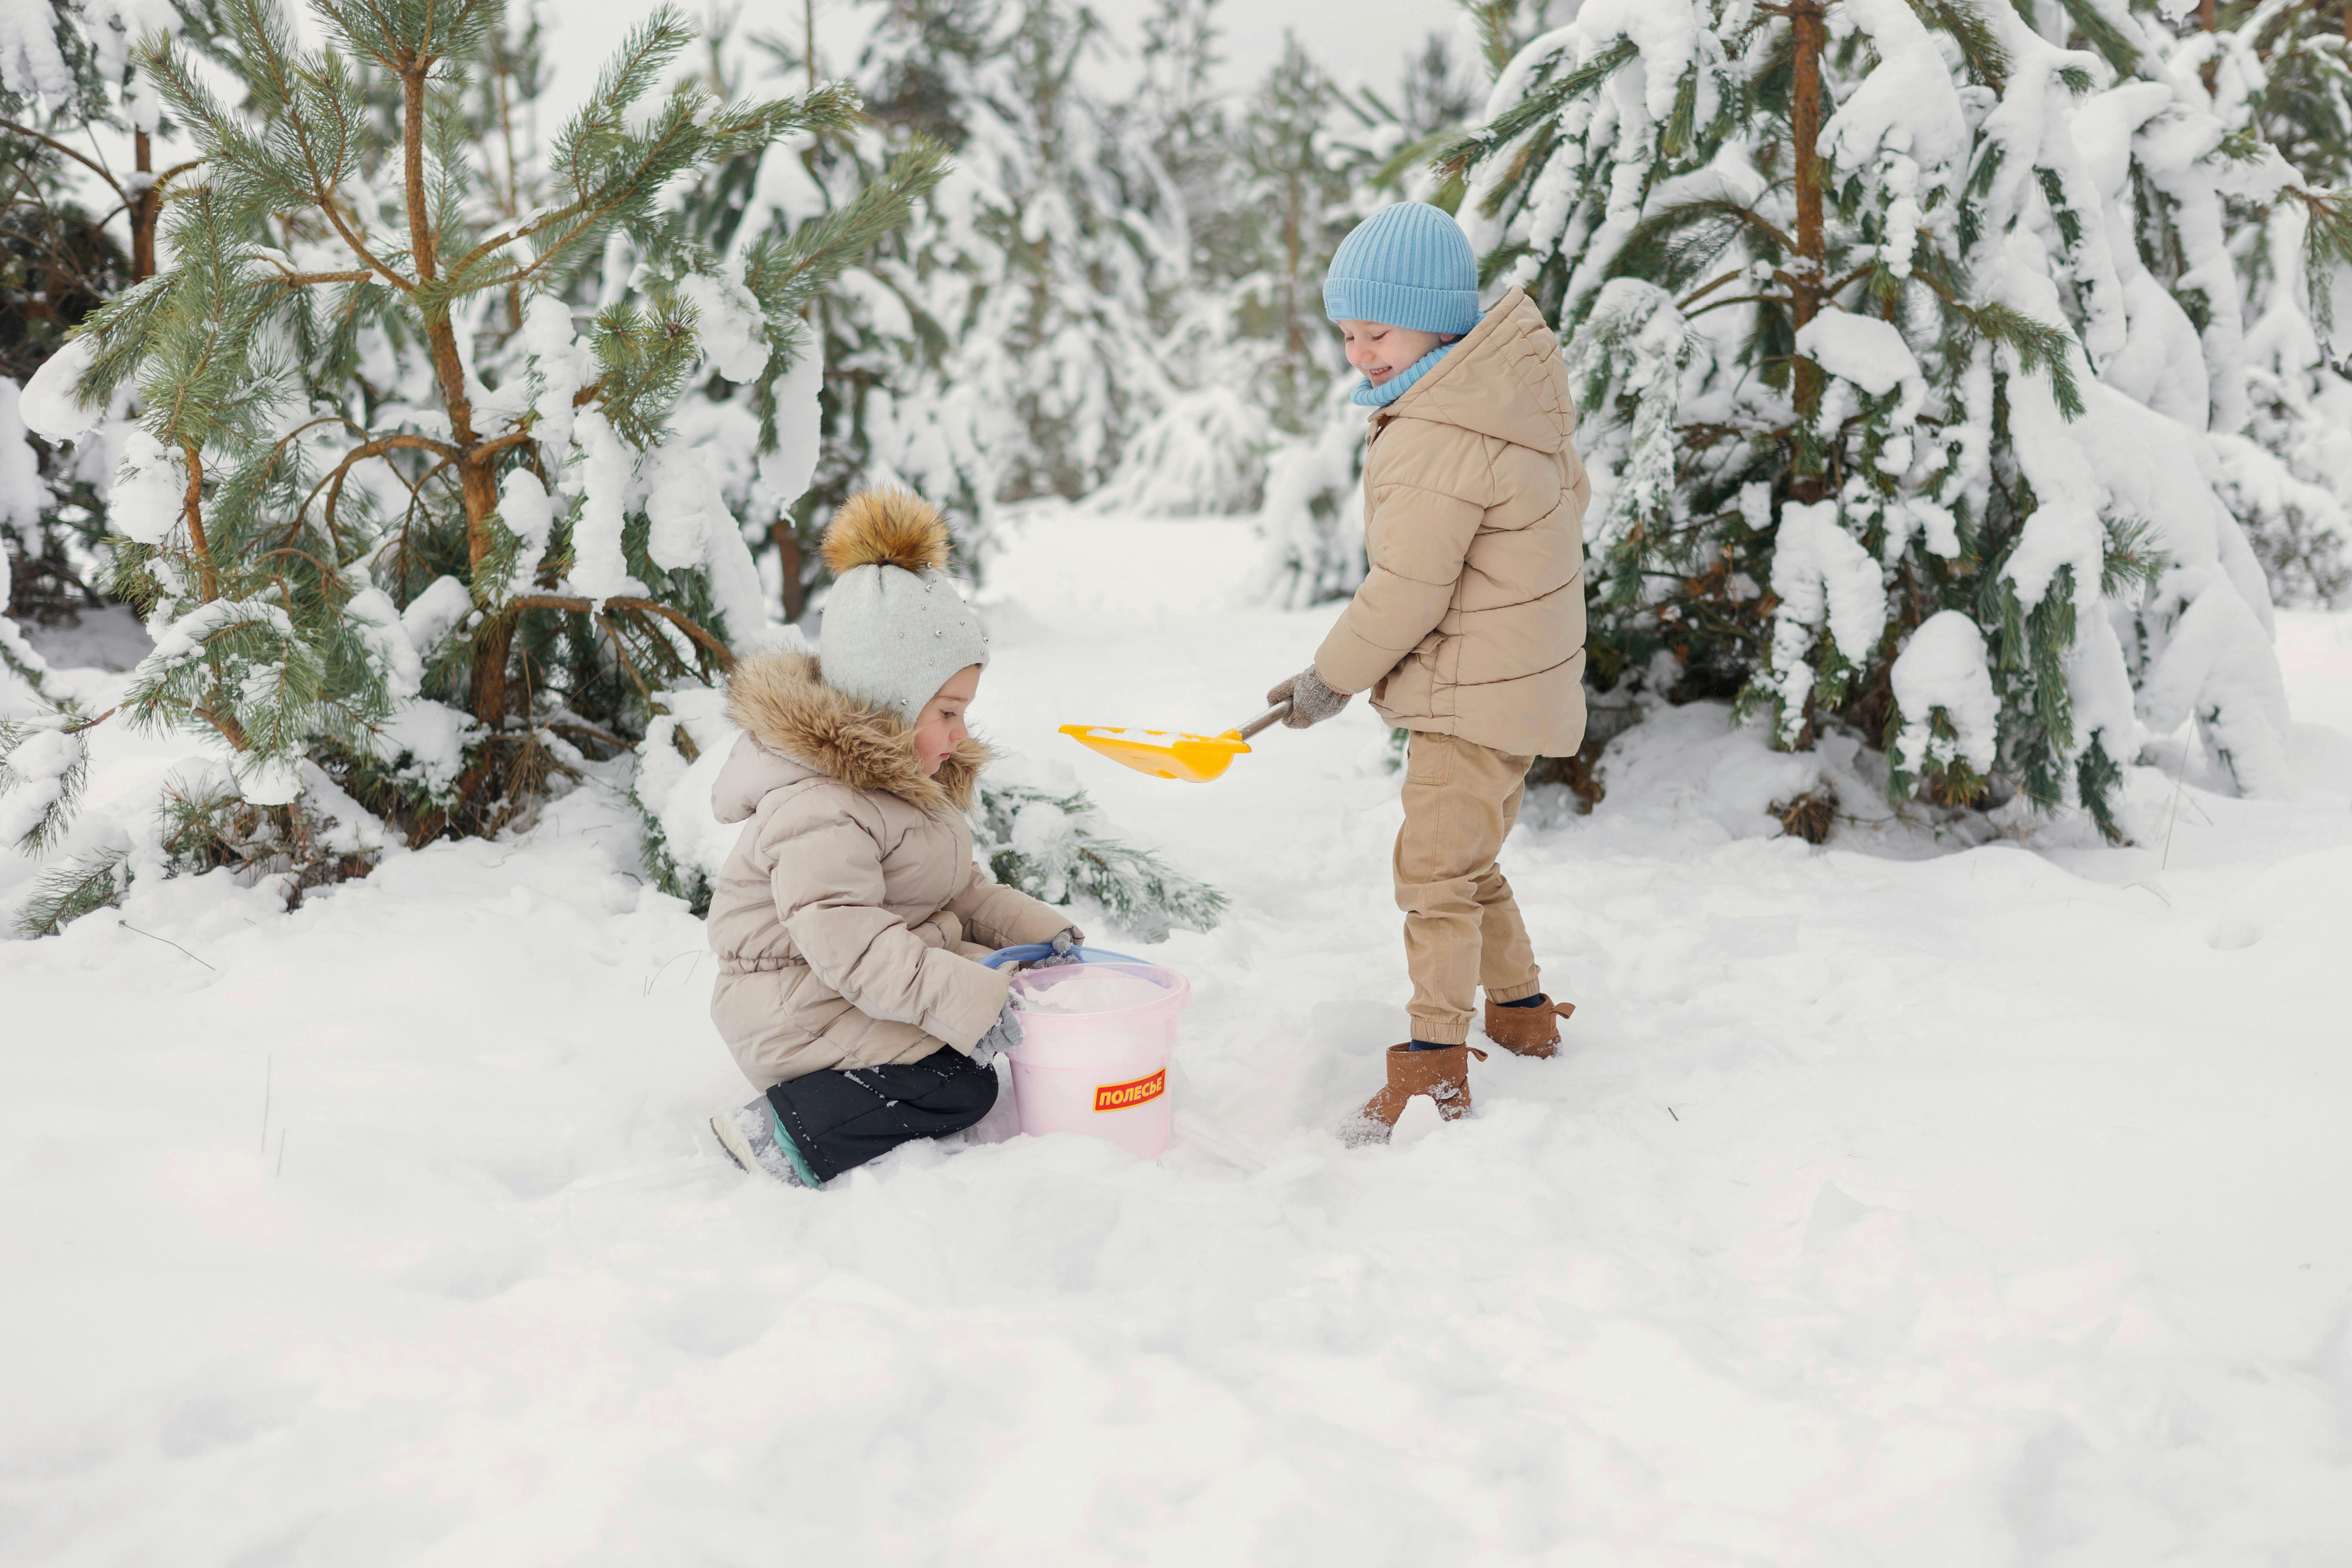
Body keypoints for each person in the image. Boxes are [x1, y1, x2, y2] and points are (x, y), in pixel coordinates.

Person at [1262, 200, 1592, 1142]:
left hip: (1468, 697)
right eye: (1348, 335)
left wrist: (1330, 679)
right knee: (1470, 861)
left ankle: (1432, 1064)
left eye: (1378, 332)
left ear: (1440, 323)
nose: (1360, 354)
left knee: (1433, 879)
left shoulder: (1437, 434)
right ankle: (1523, 1015)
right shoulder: (1508, 405)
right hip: (1518, 687)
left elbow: (1406, 589)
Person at [704, 491, 1080, 1187]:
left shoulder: (904, 782)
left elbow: (959, 891)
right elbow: (850, 944)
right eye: (947, 712)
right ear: (889, 703)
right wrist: (966, 998)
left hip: (845, 988)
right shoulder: (819, 805)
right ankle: (780, 1131)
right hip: (793, 1008)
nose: (962, 732)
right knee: (960, 1086)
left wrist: (1037, 937)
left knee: (1007, 1011)